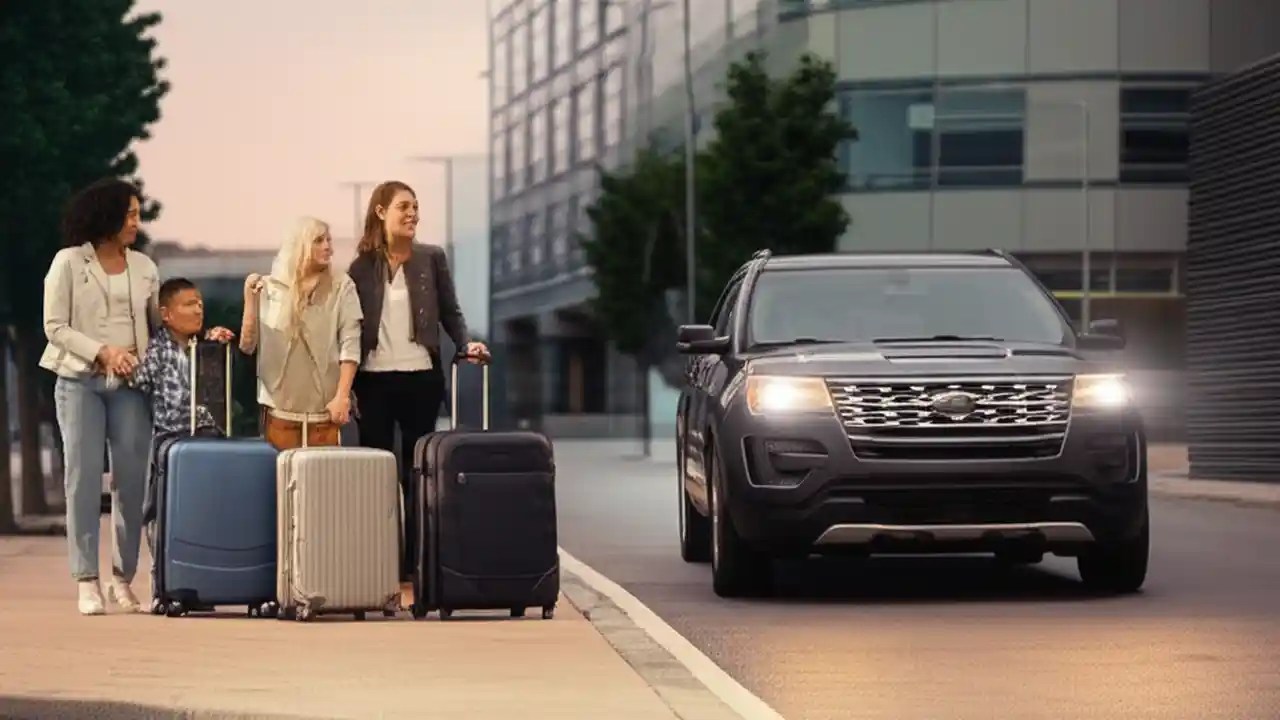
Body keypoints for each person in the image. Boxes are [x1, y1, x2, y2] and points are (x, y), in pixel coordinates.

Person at [347, 180, 488, 589]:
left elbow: (450, 311)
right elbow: (350, 328)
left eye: (416, 208)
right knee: (376, 473)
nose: (412, 214)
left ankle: (416, 563)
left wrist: (466, 344)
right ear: (380, 212)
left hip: (421, 377)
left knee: (418, 471)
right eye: (403, 207)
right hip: (373, 380)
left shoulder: (431, 258)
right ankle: (377, 559)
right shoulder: (361, 267)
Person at [41, 178, 156, 615]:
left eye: (137, 214)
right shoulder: (69, 263)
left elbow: (156, 326)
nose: (136, 222)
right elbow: (55, 326)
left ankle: (122, 579)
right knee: (83, 479)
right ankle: (86, 579)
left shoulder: (144, 267)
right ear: (104, 214)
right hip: (78, 380)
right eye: (129, 214)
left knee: (131, 483)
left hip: (130, 386)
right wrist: (101, 351)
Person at [239, 216, 362, 451]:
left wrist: (343, 396)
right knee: (279, 483)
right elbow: (248, 345)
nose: (328, 247)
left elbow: (351, 343)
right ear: (300, 244)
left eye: (329, 240)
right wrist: (249, 302)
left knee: (324, 483)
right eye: (318, 240)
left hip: (324, 417)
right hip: (279, 415)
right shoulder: (269, 288)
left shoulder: (342, 286)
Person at [130, 277, 236, 434]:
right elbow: (137, 379)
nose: (198, 311)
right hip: (173, 434)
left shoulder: (205, 347)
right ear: (166, 314)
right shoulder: (158, 350)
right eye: (189, 305)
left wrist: (214, 346)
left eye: (200, 304)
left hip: (207, 432)